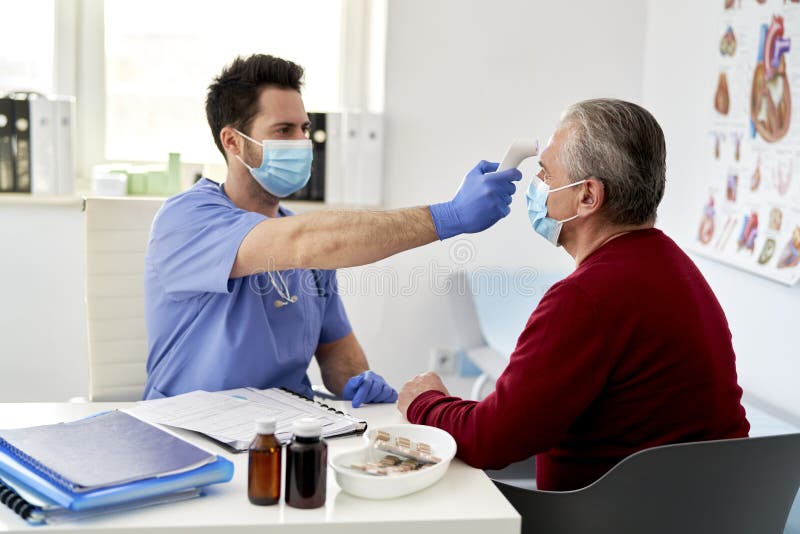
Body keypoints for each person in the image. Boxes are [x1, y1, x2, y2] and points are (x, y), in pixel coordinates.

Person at [398, 99, 750, 491]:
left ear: (587, 196)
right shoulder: (676, 268)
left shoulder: (586, 298)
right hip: (711, 511)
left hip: (606, 518)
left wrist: (424, 401)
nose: (536, 188)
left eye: (545, 175)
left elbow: (492, 441)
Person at [143, 54, 521, 404]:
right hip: (190, 432)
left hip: (284, 433)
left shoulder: (306, 242)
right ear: (233, 142)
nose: (302, 142)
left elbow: (338, 356)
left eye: (305, 128)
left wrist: (358, 382)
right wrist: (449, 216)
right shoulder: (186, 219)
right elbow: (306, 242)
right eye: (284, 130)